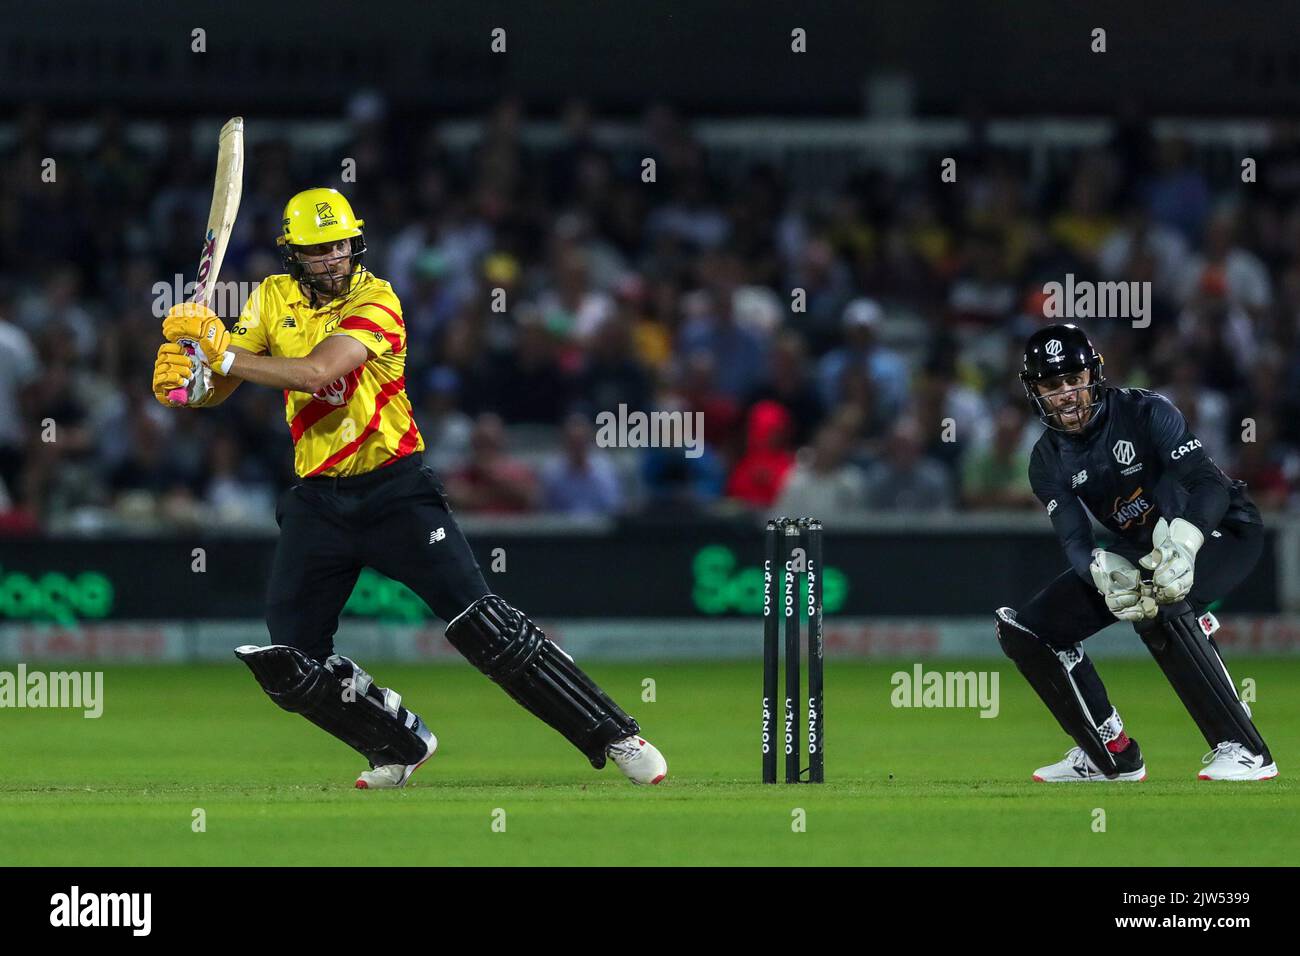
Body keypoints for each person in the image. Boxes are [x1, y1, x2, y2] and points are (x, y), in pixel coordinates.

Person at [150, 187, 666, 788]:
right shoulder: (270, 297)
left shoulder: (379, 299)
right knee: (291, 661)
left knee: (482, 627)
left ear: (355, 242)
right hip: (317, 499)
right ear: (293, 253)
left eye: (340, 245)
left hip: (395, 490)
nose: (332, 259)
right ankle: (397, 744)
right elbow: (223, 384)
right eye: (317, 250)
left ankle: (618, 734)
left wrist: (222, 359)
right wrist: (191, 381)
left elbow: (318, 374)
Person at [996, 322, 1275, 782]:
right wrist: (1102, 572)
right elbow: (1075, 541)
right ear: (1034, 390)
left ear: (1093, 376)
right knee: (1028, 630)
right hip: (1142, 546)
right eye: (1051, 385)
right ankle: (1111, 754)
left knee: (1162, 595)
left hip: (1222, 528)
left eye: (1073, 380)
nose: (1065, 394)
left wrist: (1186, 545)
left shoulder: (1146, 411)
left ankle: (1246, 750)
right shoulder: (1046, 459)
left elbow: (1208, 485)